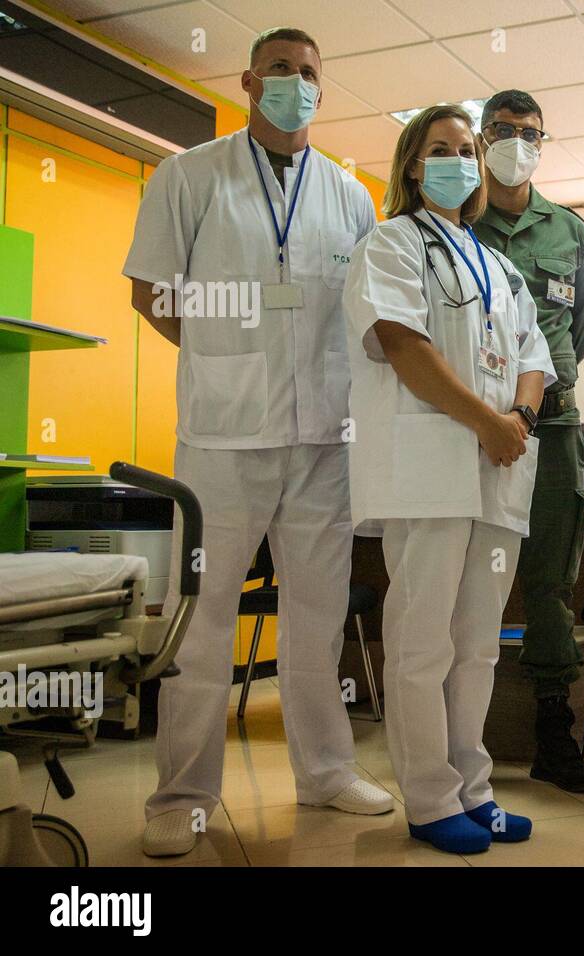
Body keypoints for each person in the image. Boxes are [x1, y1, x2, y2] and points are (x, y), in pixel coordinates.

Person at [122, 27, 392, 858]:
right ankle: (183, 794)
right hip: (222, 443)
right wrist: (224, 360)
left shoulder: (352, 197)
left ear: (323, 87)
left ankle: (326, 772)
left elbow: (360, 315)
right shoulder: (189, 174)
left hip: (323, 440)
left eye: (310, 72)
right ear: (248, 80)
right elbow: (150, 292)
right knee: (201, 627)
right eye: (281, 69)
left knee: (317, 621)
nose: (296, 83)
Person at [343, 103, 553, 854]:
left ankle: (475, 789)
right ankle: (430, 799)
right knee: (423, 644)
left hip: (497, 474)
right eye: (442, 149)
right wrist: (488, 423)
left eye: (468, 149)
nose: (460, 161)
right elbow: (402, 345)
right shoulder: (391, 244)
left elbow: (535, 358)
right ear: (412, 164)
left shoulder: (499, 264)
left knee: (479, 645)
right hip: (429, 471)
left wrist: (519, 423)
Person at [472, 89, 584, 793]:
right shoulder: (458, 219)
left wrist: (540, 391)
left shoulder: (569, 231)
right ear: (483, 135)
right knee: (470, 580)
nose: (516, 141)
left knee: (549, 581)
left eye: (530, 132)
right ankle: (456, 741)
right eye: (503, 129)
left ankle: (553, 733)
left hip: (549, 426)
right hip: (470, 426)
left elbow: (575, 332)